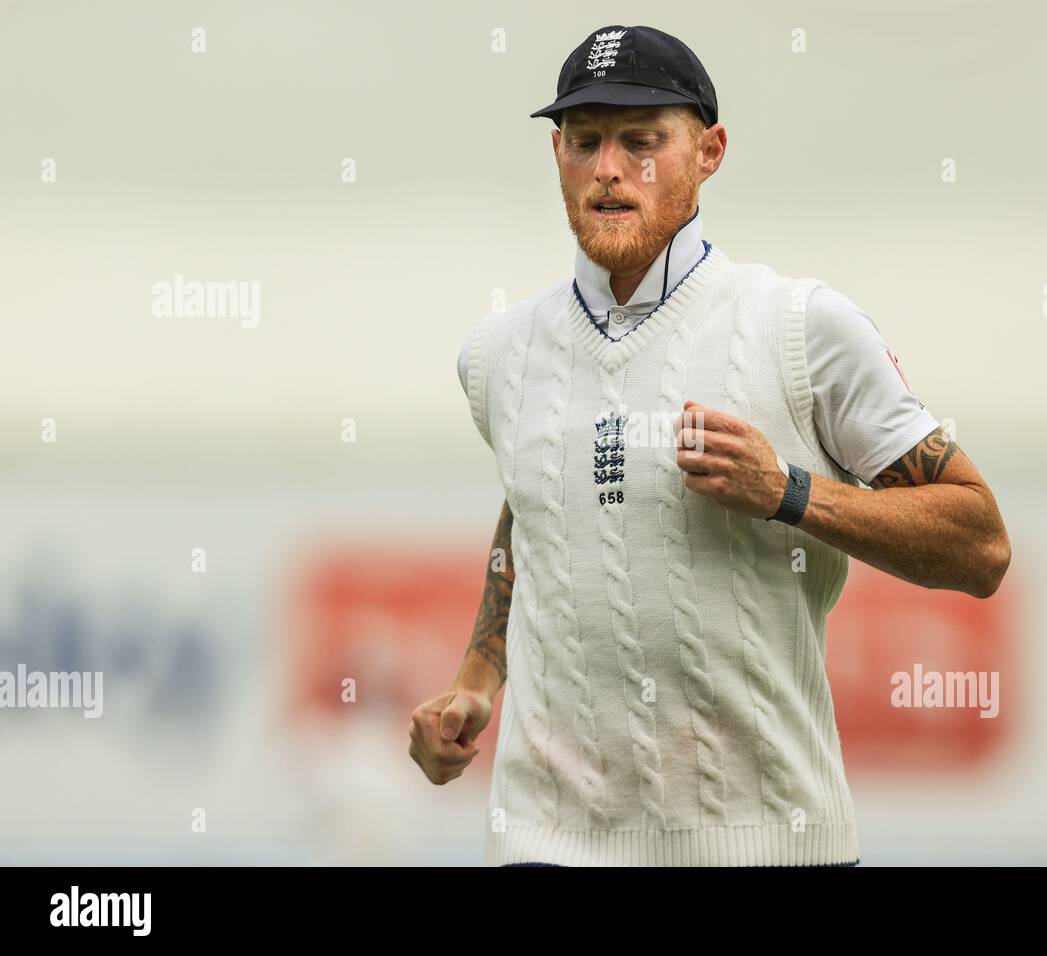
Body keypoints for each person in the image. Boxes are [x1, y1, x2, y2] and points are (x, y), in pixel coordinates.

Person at [409, 24, 1011, 867]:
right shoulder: (496, 354)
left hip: (770, 843)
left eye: (642, 141)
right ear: (557, 155)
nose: (610, 169)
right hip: (544, 843)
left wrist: (787, 490)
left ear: (709, 151)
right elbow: (535, 508)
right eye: (585, 143)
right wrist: (477, 682)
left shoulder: (803, 327)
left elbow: (980, 543)